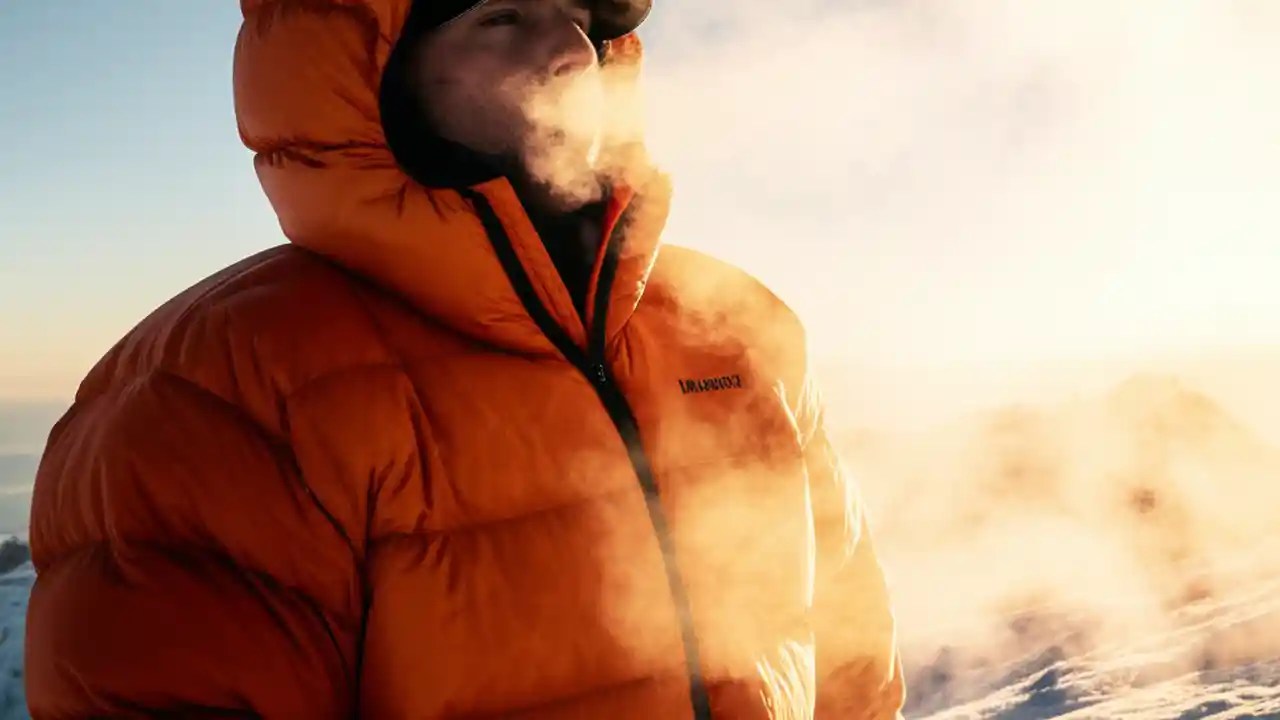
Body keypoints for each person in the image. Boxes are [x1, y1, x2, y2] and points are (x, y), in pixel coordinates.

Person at [25, 0, 906, 717]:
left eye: (575, 14)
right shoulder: (223, 387)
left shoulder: (737, 329)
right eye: (502, 16)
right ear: (374, 73)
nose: (568, 50)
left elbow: (847, 648)